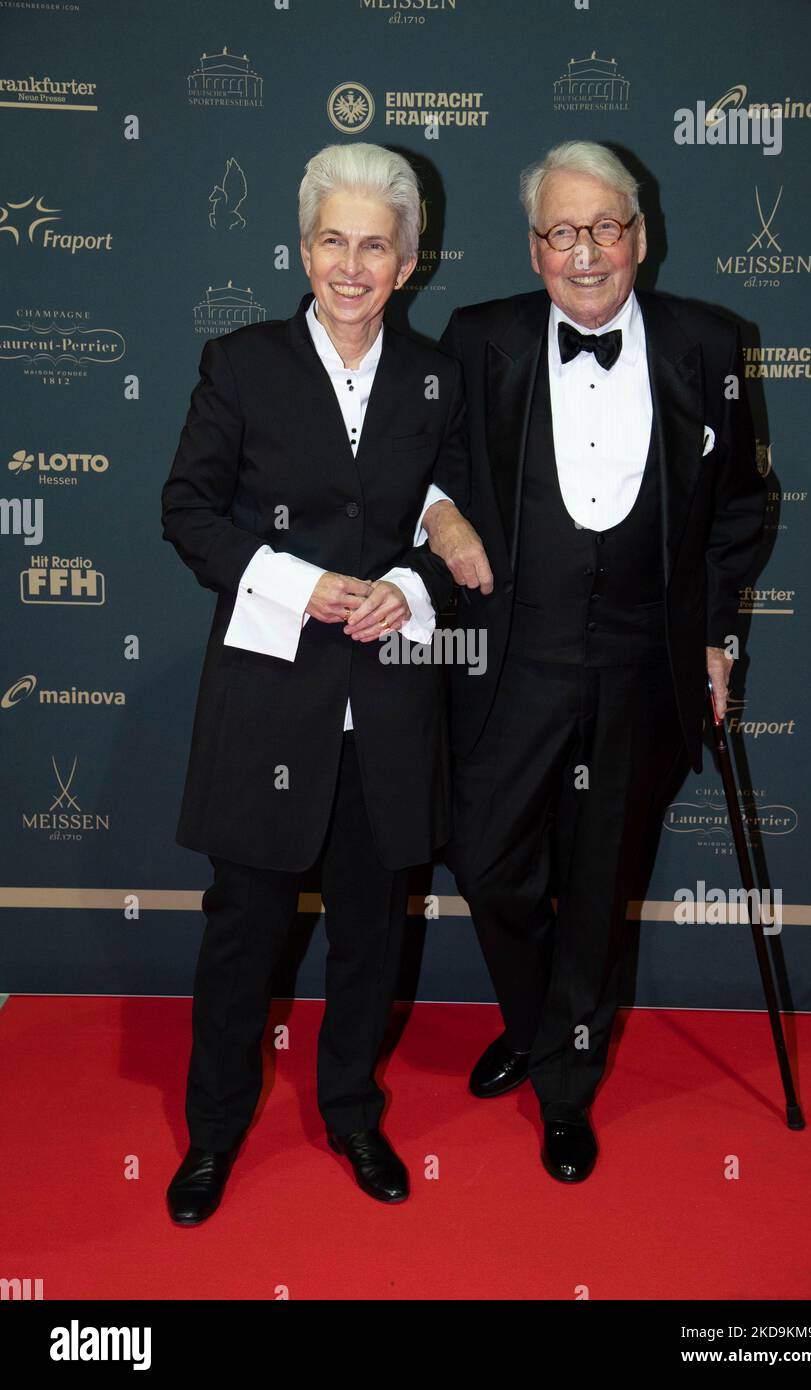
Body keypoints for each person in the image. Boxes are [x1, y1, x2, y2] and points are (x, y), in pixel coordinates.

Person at [421, 141, 766, 1183]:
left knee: (598, 874)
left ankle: (564, 1086)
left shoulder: (708, 343)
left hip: (637, 666)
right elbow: (422, 469)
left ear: (638, 236)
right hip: (508, 660)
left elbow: (741, 507)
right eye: (562, 232)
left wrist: (713, 632)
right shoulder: (479, 341)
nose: (585, 252)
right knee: (484, 857)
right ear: (534, 249)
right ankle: (536, 1020)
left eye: (604, 228)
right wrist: (441, 523)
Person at [161, 142, 469, 1222]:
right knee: (243, 927)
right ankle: (212, 1134)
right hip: (269, 701)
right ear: (302, 248)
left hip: (384, 704)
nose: (350, 265)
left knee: (371, 928)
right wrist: (303, 584)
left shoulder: (437, 379)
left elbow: (452, 524)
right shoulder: (240, 363)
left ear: (408, 260)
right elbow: (189, 513)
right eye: (332, 241)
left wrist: (405, 584)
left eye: (374, 245)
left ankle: (350, 1113)